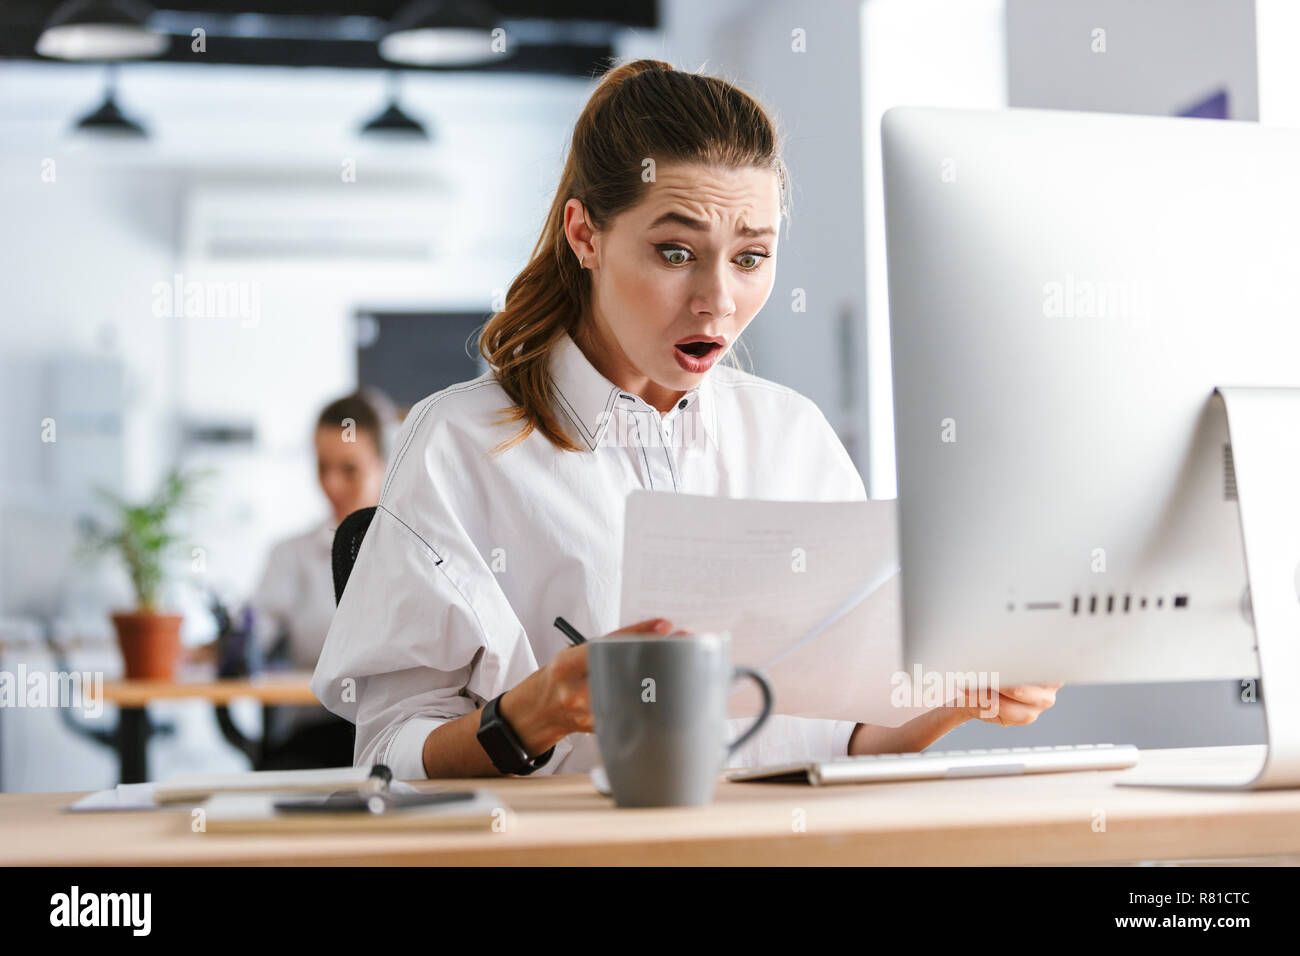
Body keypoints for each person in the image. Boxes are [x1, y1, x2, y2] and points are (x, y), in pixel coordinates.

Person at [312, 59, 1061, 780]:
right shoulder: (459, 446)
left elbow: (840, 735)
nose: (718, 302)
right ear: (585, 236)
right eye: (676, 253)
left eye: (750, 257)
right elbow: (386, 754)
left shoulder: (793, 438)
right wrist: (529, 715)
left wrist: (951, 696)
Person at [250, 388, 400, 769]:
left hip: (400, 732)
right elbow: (255, 629)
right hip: (317, 733)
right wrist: (232, 642)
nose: (331, 484)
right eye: (322, 467)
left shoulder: (417, 550)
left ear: (385, 465)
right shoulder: (290, 555)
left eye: (349, 469)